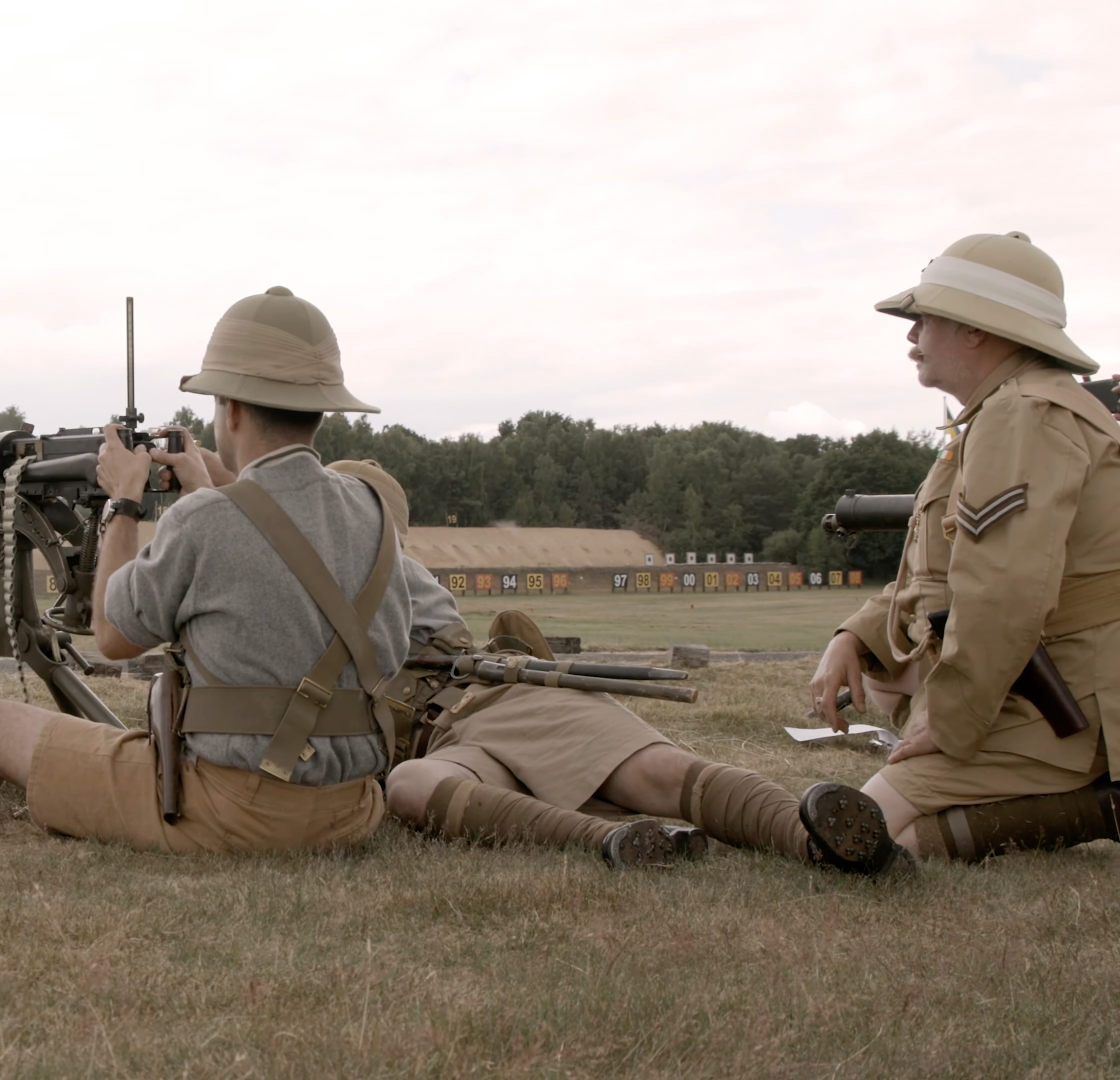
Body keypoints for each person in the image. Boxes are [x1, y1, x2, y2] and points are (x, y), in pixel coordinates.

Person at [0, 286, 468, 853]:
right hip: (354, 806)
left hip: (238, 815)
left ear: (226, 409)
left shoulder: (206, 523)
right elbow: (300, 550)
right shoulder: (372, 510)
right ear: (321, 411)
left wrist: (125, 503)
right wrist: (215, 485)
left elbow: (110, 633)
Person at [329, 460, 902, 875]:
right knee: (412, 785)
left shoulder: (393, 570)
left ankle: (810, 838)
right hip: (443, 739)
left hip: (502, 697)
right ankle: (614, 839)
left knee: (660, 773)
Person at [809, 231, 1120, 862]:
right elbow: (941, 569)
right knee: (889, 705)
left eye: (926, 317)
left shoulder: (1021, 416)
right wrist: (857, 636)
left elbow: (1004, 594)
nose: (911, 334)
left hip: (1065, 696)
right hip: (1034, 674)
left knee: (866, 836)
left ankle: (1099, 805)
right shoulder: (1003, 412)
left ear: (977, 330)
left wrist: (947, 724)